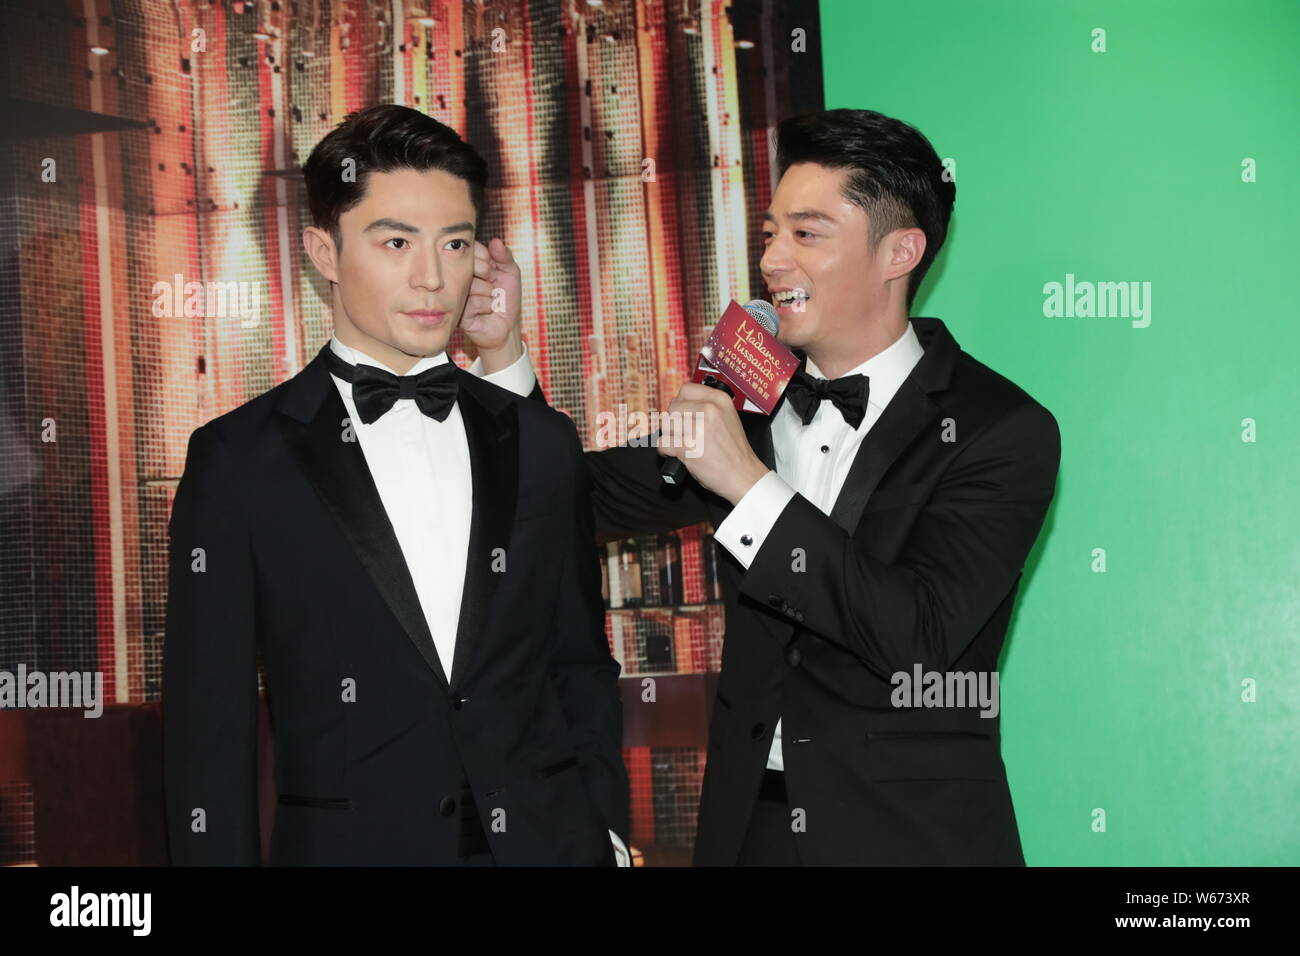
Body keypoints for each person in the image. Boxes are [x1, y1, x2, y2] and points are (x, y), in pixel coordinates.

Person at [491, 108, 1060, 865]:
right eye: (769, 233)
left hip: (911, 838)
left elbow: (918, 637)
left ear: (900, 251)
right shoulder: (749, 401)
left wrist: (749, 486)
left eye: (807, 234)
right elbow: (568, 501)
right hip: (747, 831)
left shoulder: (998, 428)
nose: (772, 260)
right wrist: (503, 360)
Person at [163, 104, 628, 866]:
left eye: (455, 243)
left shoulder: (541, 441)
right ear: (325, 250)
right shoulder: (238, 461)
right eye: (395, 242)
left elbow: (578, 662)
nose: (432, 277)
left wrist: (606, 828)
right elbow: (206, 729)